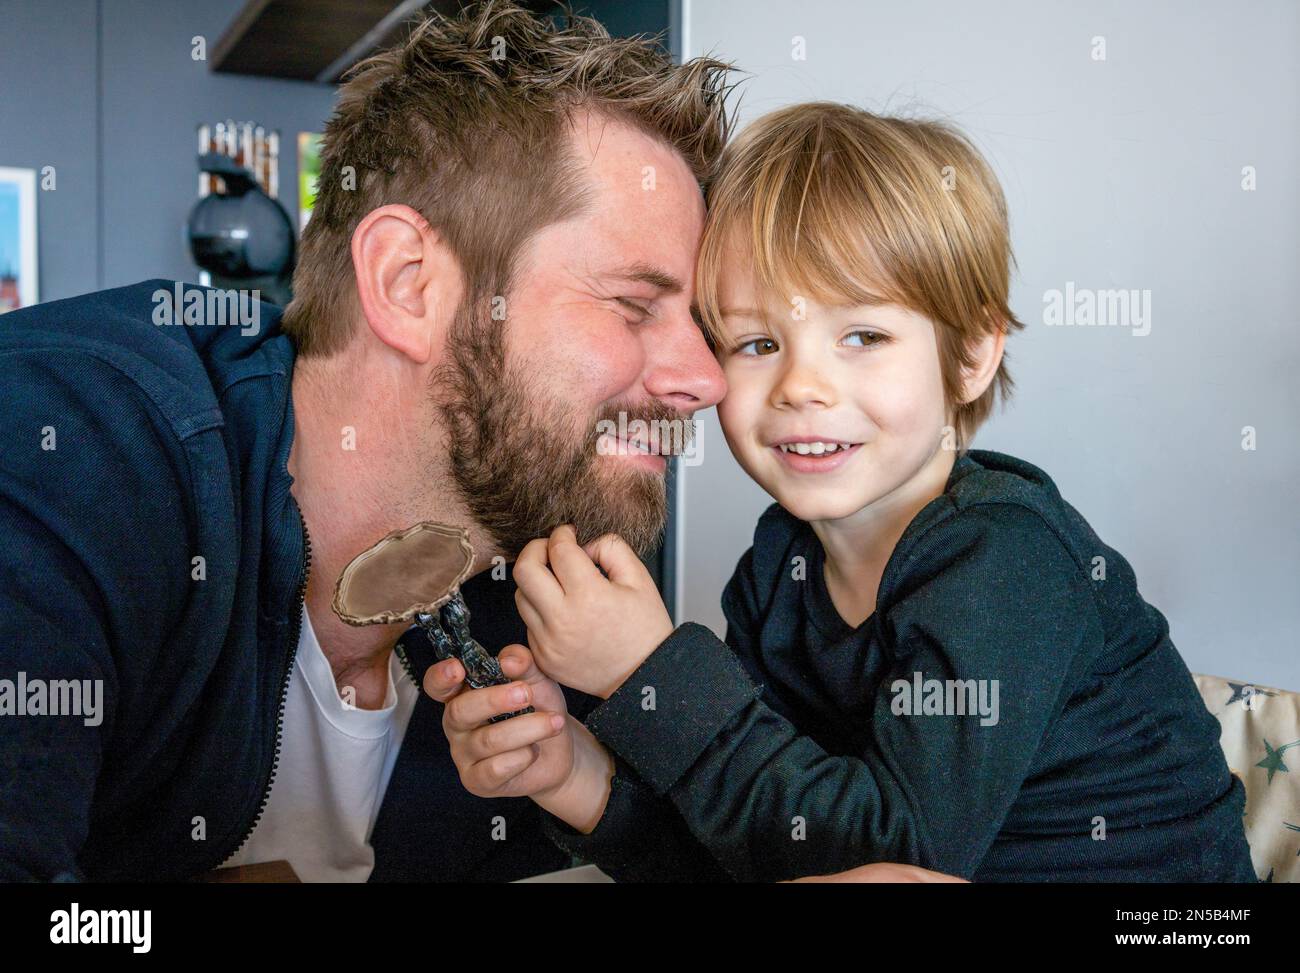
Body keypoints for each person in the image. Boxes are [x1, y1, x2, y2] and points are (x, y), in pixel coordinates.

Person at [0, 1, 735, 882]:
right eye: (631, 305)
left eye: (701, 324)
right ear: (407, 283)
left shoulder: (539, 586)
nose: (708, 378)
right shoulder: (70, 446)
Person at [433, 102, 1259, 883]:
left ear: (970, 353)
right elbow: (762, 846)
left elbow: (894, 861)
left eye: (861, 335)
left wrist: (654, 671)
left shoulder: (1005, 558)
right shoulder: (776, 569)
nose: (801, 384)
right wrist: (579, 772)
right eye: (757, 341)